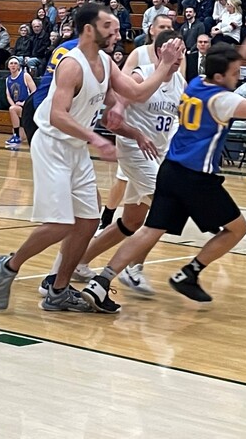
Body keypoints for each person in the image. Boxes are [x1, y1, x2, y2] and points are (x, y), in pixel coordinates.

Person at [78, 45, 246, 311]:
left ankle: (100, 282)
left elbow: (222, 63)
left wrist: (244, 44)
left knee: (150, 229)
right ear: (220, 77)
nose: (238, 77)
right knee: (238, 229)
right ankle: (190, 272)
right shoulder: (220, 100)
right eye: (235, 73)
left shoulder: (196, 83)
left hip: (170, 169)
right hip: (196, 178)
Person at [0, 4, 185, 314]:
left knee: (90, 220)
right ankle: (9, 265)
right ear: (89, 30)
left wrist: (130, 127)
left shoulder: (105, 63)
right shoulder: (72, 65)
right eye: (110, 27)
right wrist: (95, 138)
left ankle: (59, 289)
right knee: (61, 223)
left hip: (77, 147)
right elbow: (57, 114)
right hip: (52, 144)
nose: (116, 32)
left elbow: (133, 95)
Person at [65, 31, 187, 297]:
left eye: (182, 52)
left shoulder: (179, 82)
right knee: (166, 205)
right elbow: (119, 101)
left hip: (159, 154)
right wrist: (118, 110)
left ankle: (78, 261)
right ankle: (131, 268)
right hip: (135, 150)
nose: (179, 57)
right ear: (159, 52)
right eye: (174, 51)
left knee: (131, 220)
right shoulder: (141, 75)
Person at [3, 57, 36, 148]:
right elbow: (8, 96)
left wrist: (25, 103)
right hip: (19, 108)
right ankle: (18, 135)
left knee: (12, 109)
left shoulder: (25, 75)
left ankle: (16, 136)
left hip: (28, 106)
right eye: (11, 63)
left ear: (18, 66)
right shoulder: (7, 79)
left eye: (15, 63)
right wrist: (14, 104)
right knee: (23, 138)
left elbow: (34, 91)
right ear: (8, 66)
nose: (13, 65)